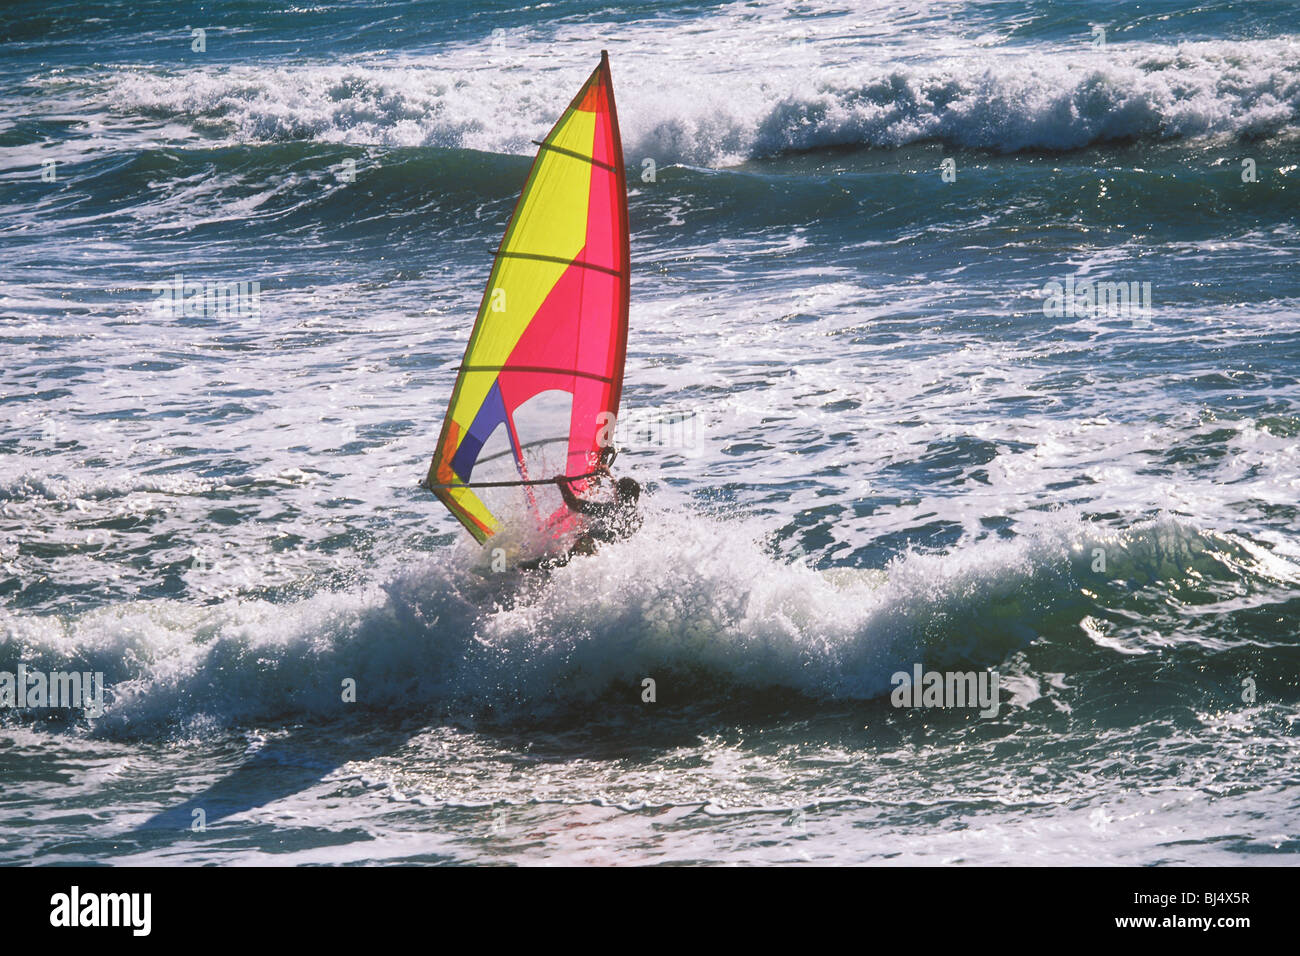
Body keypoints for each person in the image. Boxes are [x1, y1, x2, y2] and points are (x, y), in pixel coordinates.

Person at [553, 462, 642, 557]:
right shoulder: (636, 514)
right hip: (613, 552)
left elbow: (574, 504)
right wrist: (609, 476)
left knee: (584, 540)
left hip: (596, 550)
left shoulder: (609, 510)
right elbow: (624, 491)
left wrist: (563, 485)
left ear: (617, 493)